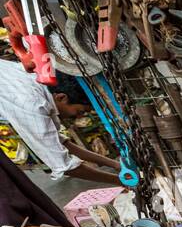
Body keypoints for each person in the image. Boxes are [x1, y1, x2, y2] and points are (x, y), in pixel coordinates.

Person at [0, 55, 125, 186]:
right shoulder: (32, 105)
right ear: (62, 97)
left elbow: (61, 143)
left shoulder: (39, 83)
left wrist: (115, 165)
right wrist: (122, 181)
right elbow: (63, 166)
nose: (79, 116)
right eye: (80, 111)